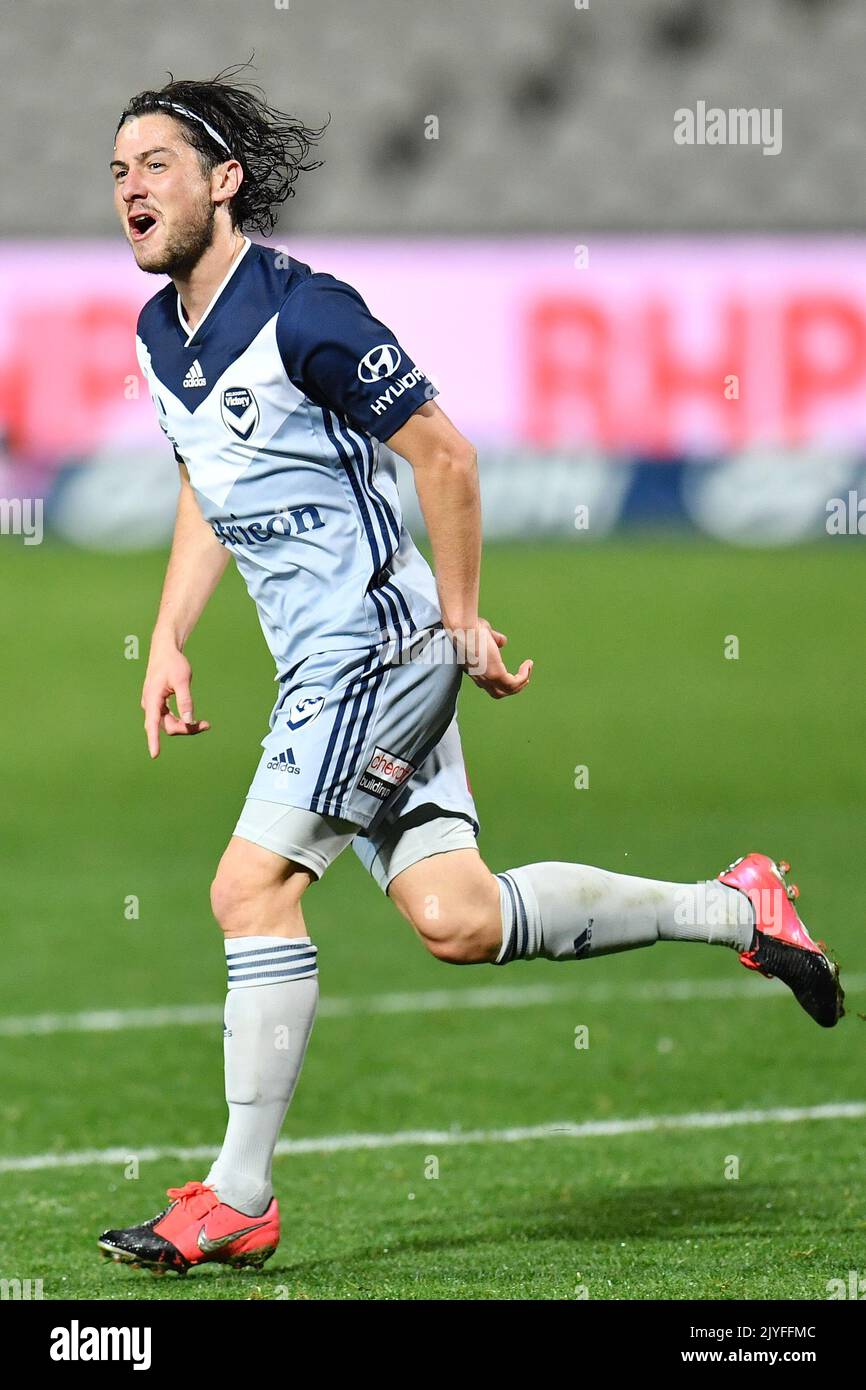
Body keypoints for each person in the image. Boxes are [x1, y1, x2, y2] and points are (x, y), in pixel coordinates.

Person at [97, 71, 844, 1277]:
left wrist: (456, 625)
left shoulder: (309, 313)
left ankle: (237, 1195)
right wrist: (172, 631)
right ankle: (737, 904)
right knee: (456, 916)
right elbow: (208, 480)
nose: (131, 187)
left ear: (223, 182)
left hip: (373, 652)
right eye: (118, 170)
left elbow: (445, 454)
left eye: (157, 165)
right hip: (323, 663)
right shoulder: (157, 334)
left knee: (249, 894)